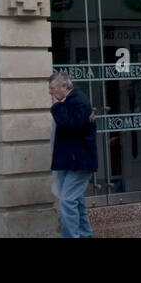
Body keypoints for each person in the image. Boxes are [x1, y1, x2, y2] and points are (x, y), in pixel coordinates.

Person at [49, 71, 97, 237]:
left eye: (53, 88)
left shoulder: (79, 101)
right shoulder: (69, 101)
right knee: (76, 201)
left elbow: (71, 125)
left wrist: (56, 106)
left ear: (64, 86)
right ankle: (85, 234)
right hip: (69, 161)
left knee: (68, 200)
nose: (50, 92)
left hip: (78, 162)